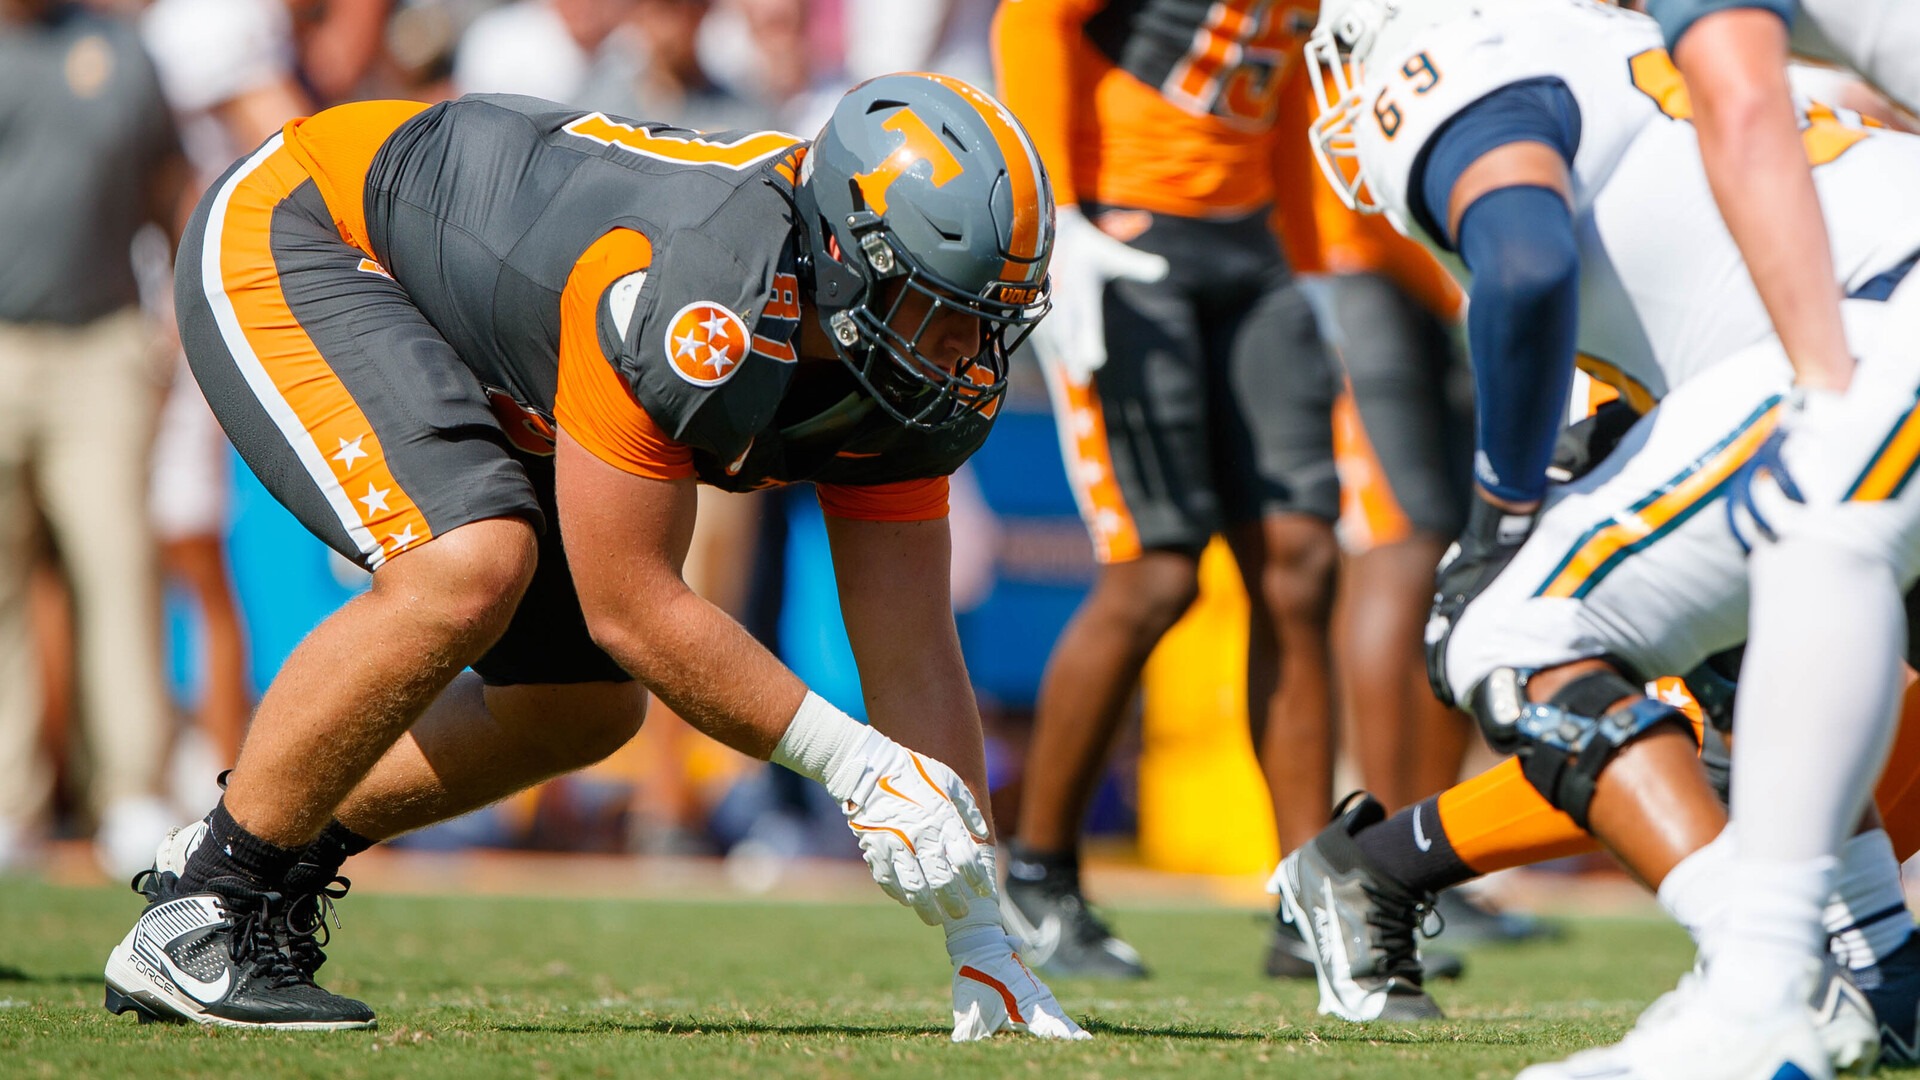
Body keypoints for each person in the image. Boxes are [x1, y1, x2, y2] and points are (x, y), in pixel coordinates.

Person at [101, 73, 1088, 1042]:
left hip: (493, 334)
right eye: (942, 309)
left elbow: (912, 646)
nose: (968, 351)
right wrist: (859, 769)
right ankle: (204, 914)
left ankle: (263, 859)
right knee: (469, 563)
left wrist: (984, 940)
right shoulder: (697, 284)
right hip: (311, 228)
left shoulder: (917, 364)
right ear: (843, 254)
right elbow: (636, 605)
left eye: (990, 316)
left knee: (575, 703)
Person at [1275, 1, 1920, 1073]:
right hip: (1870, 328)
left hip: (1877, 344)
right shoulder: (1634, 46)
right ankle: (1885, 973)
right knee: (1749, 631)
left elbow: (1524, 261)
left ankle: (1764, 976)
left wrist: (1502, 513)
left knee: (1507, 626)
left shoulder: (1457, 55)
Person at [989, 0, 1344, 981]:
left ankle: (1311, 899)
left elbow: (1289, 76)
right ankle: (1038, 874)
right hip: (1125, 232)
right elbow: (1032, 18)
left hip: (1254, 247)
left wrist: (1314, 265)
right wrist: (1053, 214)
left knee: (1301, 563)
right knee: (1155, 575)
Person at [0, 0, 190, 877]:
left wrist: (182, 316)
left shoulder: (120, 50)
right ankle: (9, 804)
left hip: (101, 342)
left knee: (117, 563)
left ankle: (131, 793)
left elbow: (171, 182)